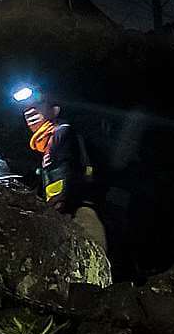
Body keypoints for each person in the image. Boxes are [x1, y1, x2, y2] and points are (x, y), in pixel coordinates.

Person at [17, 90, 107, 255]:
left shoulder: (62, 133)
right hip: (65, 212)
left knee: (90, 256)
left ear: (55, 111)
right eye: (26, 111)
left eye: (37, 107)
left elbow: (69, 169)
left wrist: (62, 204)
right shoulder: (46, 145)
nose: (29, 113)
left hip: (79, 211)